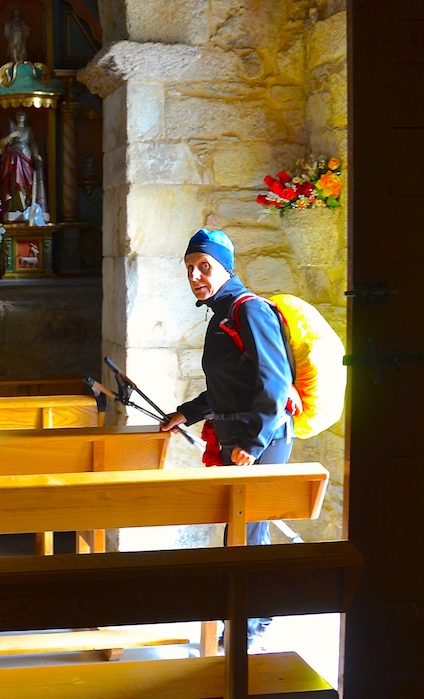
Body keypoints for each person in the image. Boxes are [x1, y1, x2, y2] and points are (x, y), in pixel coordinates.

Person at [161, 228, 293, 648]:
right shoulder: (221, 313)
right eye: (189, 269)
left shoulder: (248, 310)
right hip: (239, 433)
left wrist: (253, 445)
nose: (196, 276)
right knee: (244, 531)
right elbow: (228, 383)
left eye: (204, 266)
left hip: (261, 439)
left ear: (226, 268)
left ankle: (249, 630)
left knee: (247, 532)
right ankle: (252, 617)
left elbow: (275, 384)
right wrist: (187, 412)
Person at [0, 109, 45, 217]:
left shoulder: (28, 130)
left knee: (27, 181)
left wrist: (36, 154)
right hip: (14, 157)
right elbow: (1, 143)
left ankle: (27, 203)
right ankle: (15, 206)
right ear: (15, 116)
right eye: (19, 114)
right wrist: (11, 136)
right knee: (15, 181)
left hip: (26, 156)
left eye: (23, 114)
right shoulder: (11, 129)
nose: (21, 116)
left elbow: (33, 143)